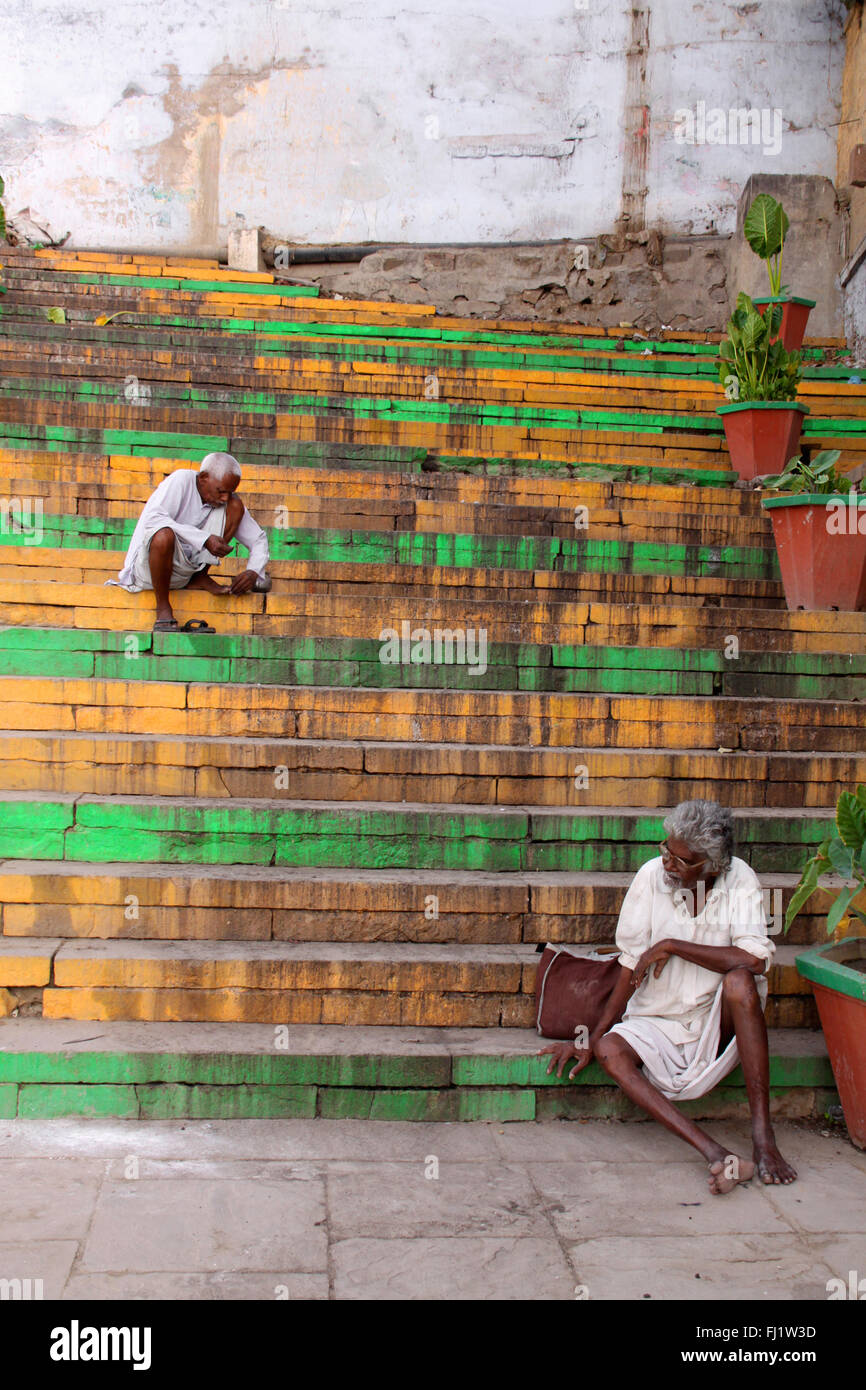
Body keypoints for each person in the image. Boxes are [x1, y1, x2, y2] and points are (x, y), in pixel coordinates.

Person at [539, 799, 797, 1195]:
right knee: (610, 1049)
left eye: (681, 860)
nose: (667, 863)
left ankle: (763, 1137)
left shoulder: (738, 878)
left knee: (741, 982)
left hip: (716, 1021)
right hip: (658, 1019)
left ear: (712, 865)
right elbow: (628, 965)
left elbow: (754, 958)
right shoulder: (650, 878)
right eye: (666, 850)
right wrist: (591, 1036)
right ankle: (714, 1153)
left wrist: (674, 945)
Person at [107, 452, 270, 631]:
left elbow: (258, 538)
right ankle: (162, 608)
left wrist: (253, 571)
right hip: (148, 572)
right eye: (221, 491)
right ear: (203, 478)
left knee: (236, 505)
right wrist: (204, 539)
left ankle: (199, 577)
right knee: (163, 535)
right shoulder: (181, 480)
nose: (225, 497)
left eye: (229, 492)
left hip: (184, 573)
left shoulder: (226, 500)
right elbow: (153, 520)